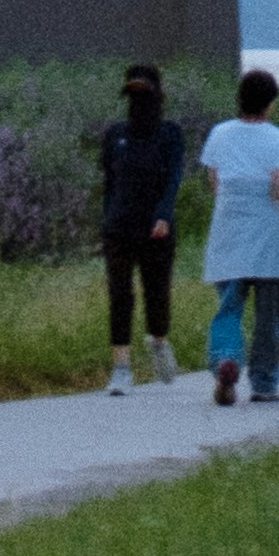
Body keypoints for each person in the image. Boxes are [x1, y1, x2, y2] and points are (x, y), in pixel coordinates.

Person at [197, 68, 279, 408]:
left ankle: (226, 359)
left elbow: (215, 183)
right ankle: (264, 381)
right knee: (269, 316)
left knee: (228, 307)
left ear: (239, 98)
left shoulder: (219, 134)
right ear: (271, 104)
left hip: (228, 231)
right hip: (266, 237)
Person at [97, 62, 187, 397]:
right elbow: (109, 181)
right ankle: (120, 367)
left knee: (157, 293)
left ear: (157, 95)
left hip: (156, 228)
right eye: (133, 95)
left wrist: (163, 215)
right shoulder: (115, 135)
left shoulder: (170, 134)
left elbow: (173, 178)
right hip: (119, 227)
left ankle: (159, 340)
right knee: (120, 295)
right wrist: (106, 221)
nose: (139, 103)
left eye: (145, 95)